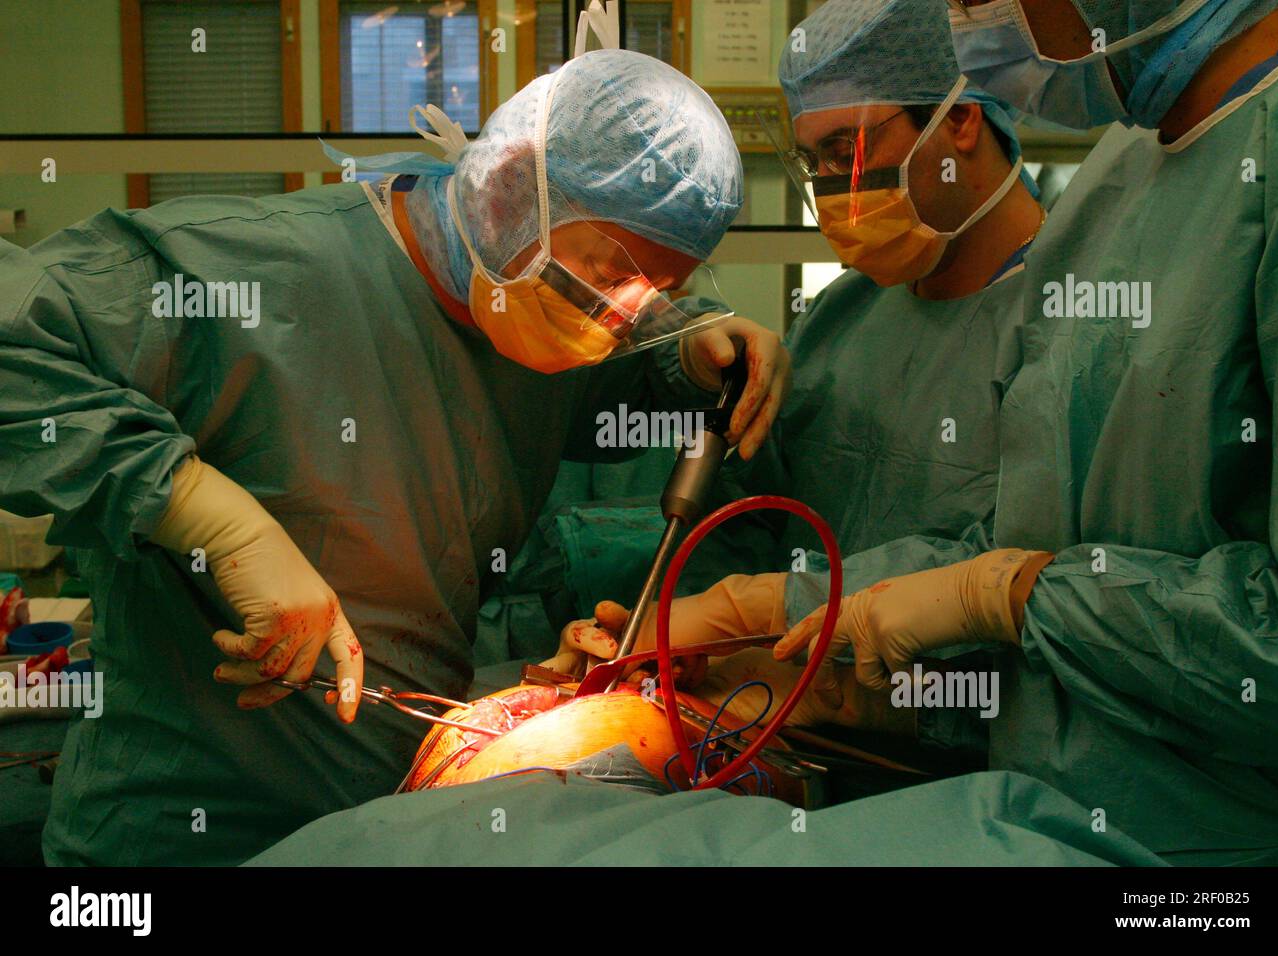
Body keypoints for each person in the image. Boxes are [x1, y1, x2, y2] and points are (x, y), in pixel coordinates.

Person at [0, 48, 790, 865]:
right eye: (605, 277)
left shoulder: (538, 325)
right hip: (179, 836)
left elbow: (598, 378)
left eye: (657, 293)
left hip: (387, 830)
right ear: (513, 186)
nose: (616, 320)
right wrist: (210, 516)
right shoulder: (246, 273)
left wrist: (687, 357)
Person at [772, 0, 1278, 864]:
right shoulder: (1122, 176)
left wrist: (1014, 598)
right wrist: (777, 606)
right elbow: (1033, 519)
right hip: (1043, 803)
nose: (972, 26)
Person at [547, 0, 1047, 736]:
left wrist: (764, 606)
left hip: (975, 742)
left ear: (959, 122)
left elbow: (1030, 574)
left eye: (845, 148)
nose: (829, 192)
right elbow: (768, 511)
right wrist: (697, 635)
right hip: (809, 715)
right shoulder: (848, 314)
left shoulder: (1065, 320)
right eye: (812, 161)